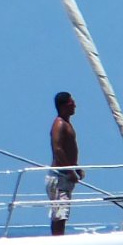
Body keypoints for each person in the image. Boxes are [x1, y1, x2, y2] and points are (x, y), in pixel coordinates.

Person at [48, 90, 81, 236]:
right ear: (63, 106)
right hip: (60, 176)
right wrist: (70, 171)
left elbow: (68, 150)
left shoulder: (67, 123)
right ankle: (57, 242)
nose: (74, 105)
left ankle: (59, 238)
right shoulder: (59, 124)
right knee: (60, 213)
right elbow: (58, 149)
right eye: (71, 103)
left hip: (65, 175)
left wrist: (76, 168)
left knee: (63, 212)